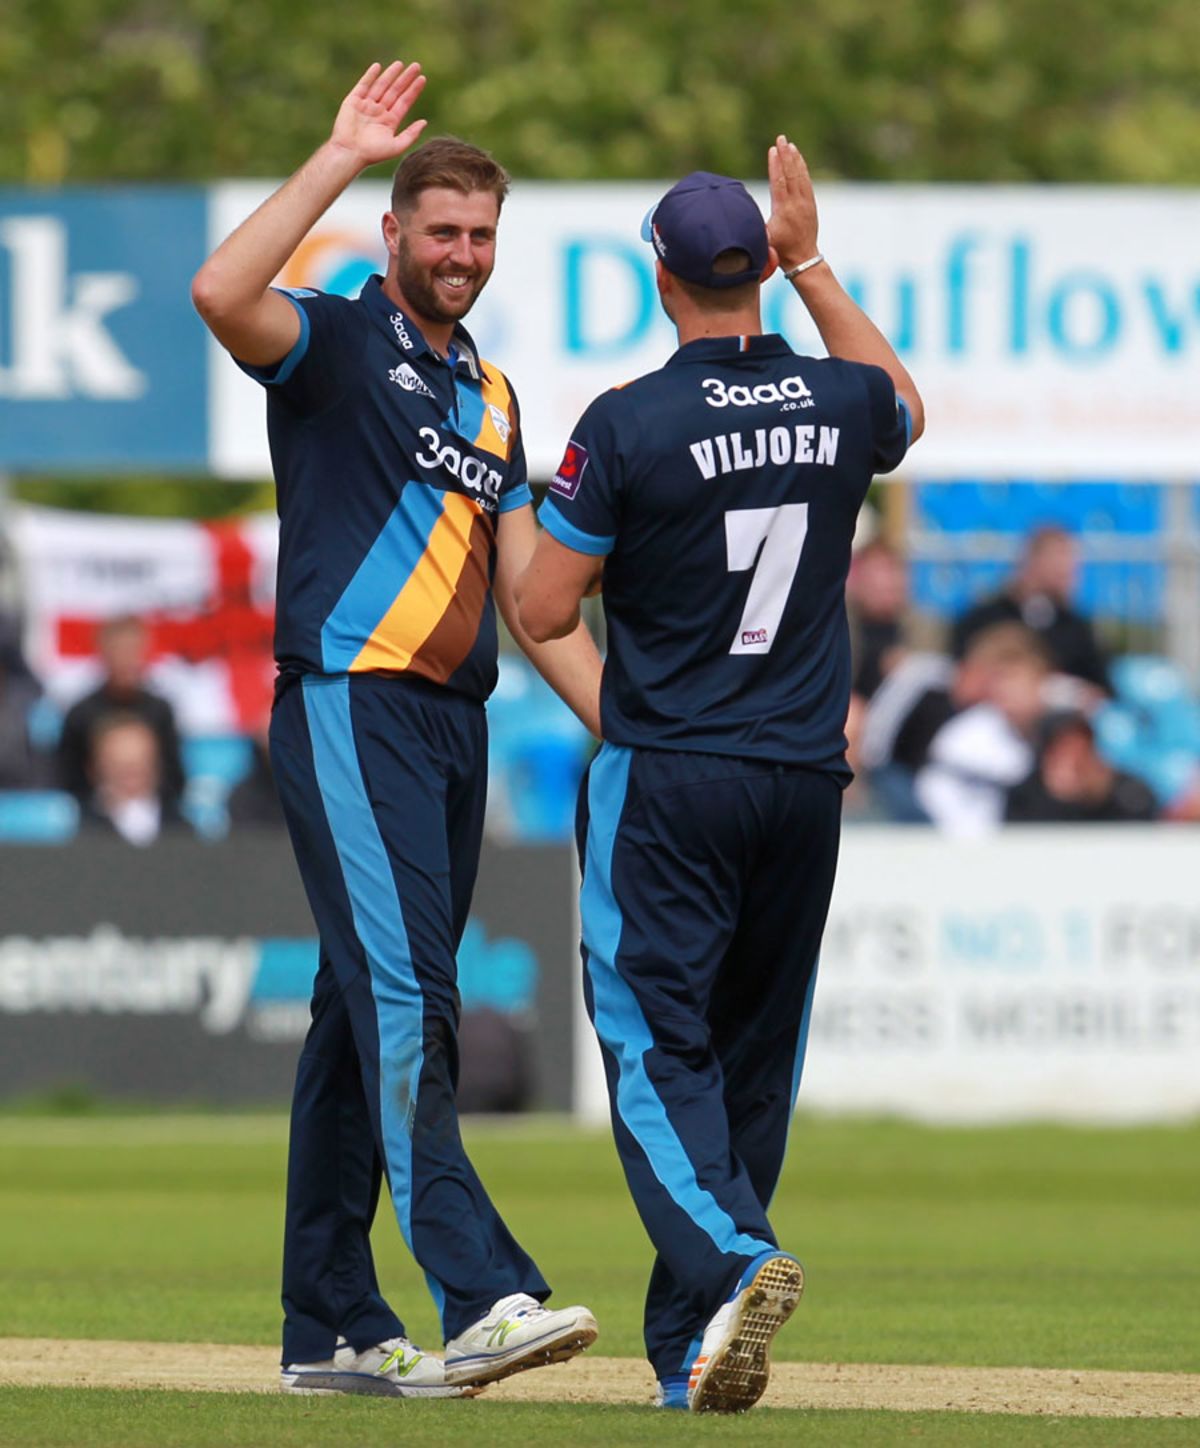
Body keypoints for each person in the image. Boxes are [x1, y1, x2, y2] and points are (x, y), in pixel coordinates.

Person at [191, 60, 601, 1401]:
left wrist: (633, 735)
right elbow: (217, 295)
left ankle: (333, 1327)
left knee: (348, 1017)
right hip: (350, 704)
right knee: (412, 997)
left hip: (449, 729)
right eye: (442, 233)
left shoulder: (492, 395)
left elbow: (539, 611)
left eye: (483, 236)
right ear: (395, 235)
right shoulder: (333, 340)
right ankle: (481, 1292)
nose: (464, 256)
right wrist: (338, 154)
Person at [516, 141, 924, 1412]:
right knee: (750, 1053)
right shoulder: (838, 399)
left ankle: (738, 1254)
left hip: (673, 777)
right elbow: (903, 405)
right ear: (756, 266)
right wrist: (814, 259)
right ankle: (692, 1347)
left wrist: (621, 715)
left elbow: (540, 606)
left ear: (661, 274)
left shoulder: (629, 420)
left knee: (651, 1046)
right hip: (803, 779)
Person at [951, 524, 1110, 693]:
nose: (1071, 573)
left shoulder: (1076, 628)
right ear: (1033, 560)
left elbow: (1101, 690)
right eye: (1060, 563)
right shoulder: (983, 619)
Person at [56, 615, 186, 809]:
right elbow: (66, 776)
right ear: (103, 653)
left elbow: (174, 777)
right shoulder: (80, 714)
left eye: (132, 650)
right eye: (118, 650)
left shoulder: (161, 712)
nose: (126, 659)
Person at [79, 714, 192, 844]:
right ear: (93, 768)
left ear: (158, 765)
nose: (131, 771)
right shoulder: (78, 830)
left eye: (141, 762)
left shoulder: (183, 830)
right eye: (119, 764)